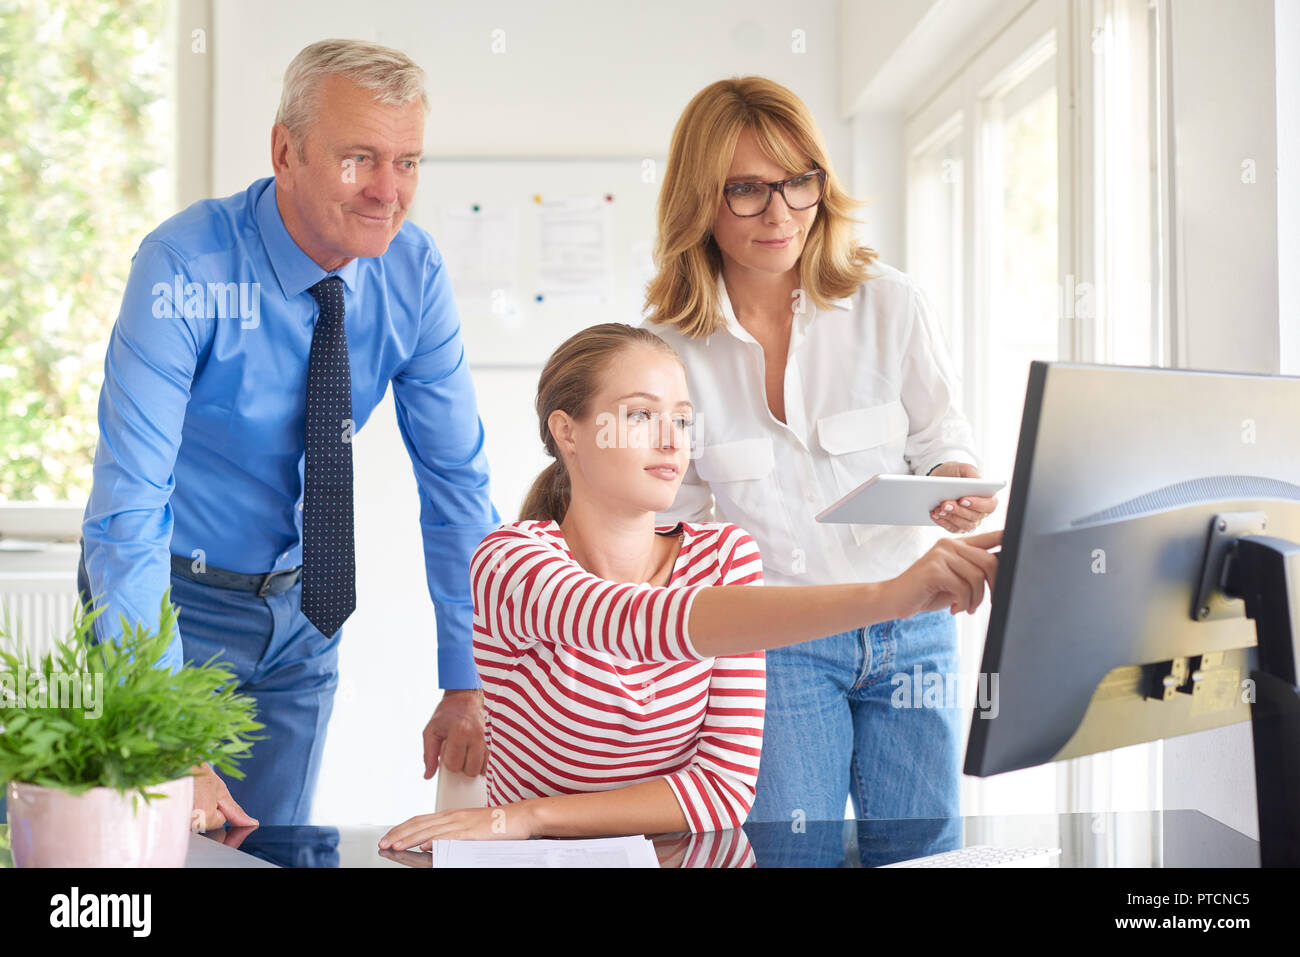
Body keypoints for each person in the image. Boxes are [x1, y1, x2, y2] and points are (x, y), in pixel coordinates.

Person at [75, 39, 499, 828]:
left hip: (308, 613)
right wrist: (168, 730)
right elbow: (127, 508)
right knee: (160, 850)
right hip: (171, 605)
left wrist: (471, 677)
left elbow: (457, 488)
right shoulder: (184, 268)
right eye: (359, 158)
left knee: (271, 848)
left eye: (407, 162)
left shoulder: (412, 271)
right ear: (285, 151)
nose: (388, 191)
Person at [377, 323, 999, 847]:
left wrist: (529, 815)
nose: (673, 441)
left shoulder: (726, 555)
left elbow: (723, 793)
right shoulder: (512, 562)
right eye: (642, 416)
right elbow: (636, 622)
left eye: (683, 418)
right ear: (568, 432)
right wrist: (892, 595)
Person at [640, 76, 997, 824]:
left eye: (800, 183)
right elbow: (666, 524)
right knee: (789, 849)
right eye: (747, 190)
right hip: (778, 643)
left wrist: (954, 480)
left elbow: (941, 437)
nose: (781, 213)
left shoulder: (889, 302)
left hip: (914, 624)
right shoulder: (667, 352)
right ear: (700, 200)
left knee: (923, 851)